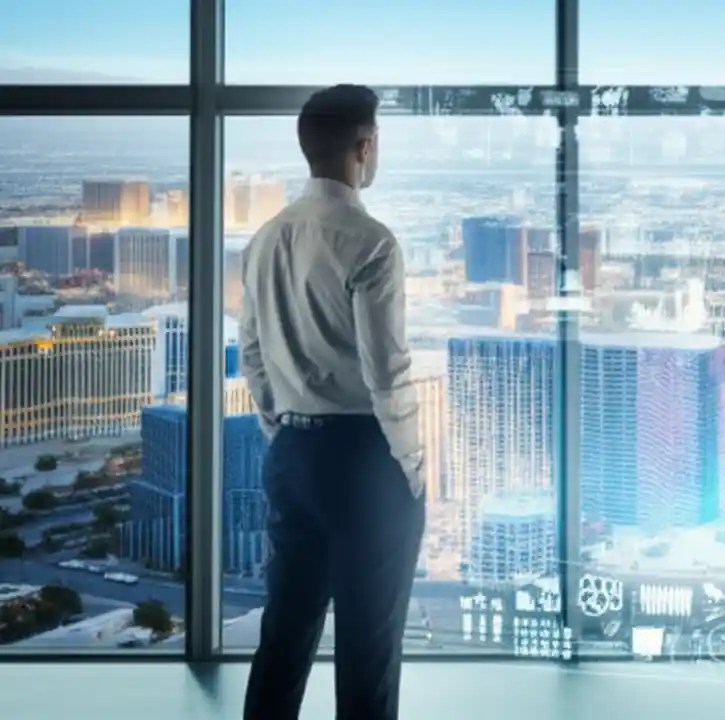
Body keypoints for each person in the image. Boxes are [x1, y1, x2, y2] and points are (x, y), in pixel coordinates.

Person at [241, 84, 424, 720]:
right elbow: (387, 371)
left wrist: (283, 430)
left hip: (292, 453)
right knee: (368, 652)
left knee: (284, 638)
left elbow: (253, 356)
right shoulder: (371, 241)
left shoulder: (266, 237)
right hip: (363, 460)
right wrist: (411, 464)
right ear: (364, 146)